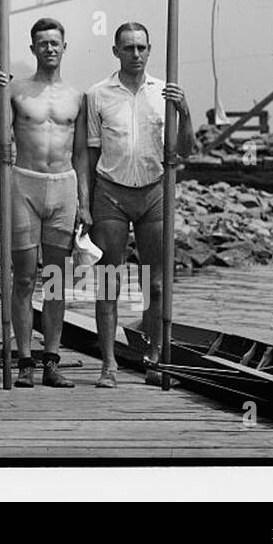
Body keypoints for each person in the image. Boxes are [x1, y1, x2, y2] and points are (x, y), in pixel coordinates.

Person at [83, 22, 194, 388]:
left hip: (154, 193)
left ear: (150, 50)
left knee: (157, 285)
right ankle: (109, 365)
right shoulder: (98, 94)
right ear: (116, 51)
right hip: (111, 194)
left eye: (142, 48)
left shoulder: (165, 92)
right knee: (109, 281)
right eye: (128, 48)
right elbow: (88, 153)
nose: (136, 55)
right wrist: (84, 202)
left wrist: (185, 111)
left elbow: (185, 151)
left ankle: (155, 357)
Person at [0, 17, 86, 388]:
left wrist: (84, 202)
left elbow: (80, 155)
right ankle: (25, 359)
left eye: (55, 42)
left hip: (62, 185)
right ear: (32, 49)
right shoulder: (16, 91)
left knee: (56, 280)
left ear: (64, 47)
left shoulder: (76, 97)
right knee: (25, 276)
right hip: (23, 183)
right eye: (42, 43)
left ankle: (52, 361)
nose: (49, 48)